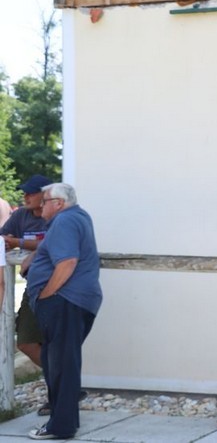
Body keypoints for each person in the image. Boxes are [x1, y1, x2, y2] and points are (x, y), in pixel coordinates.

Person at [25, 183, 103, 440]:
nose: (40, 205)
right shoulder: (75, 217)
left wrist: (47, 294)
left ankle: (61, 426)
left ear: (58, 203)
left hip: (64, 302)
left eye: (45, 200)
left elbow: (68, 261)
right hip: (72, 302)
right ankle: (64, 421)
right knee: (56, 361)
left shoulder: (66, 221)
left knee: (61, 364)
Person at [1, 174, 52, 368]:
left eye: (31, 193)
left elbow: (52, 243)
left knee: (57, 341)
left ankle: (61, 383)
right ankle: (57, 377)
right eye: (24, 193)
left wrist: (18, 242)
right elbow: (3, 236)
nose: (25, 197)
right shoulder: (21, 215)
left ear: (45, 195)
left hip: (59, 285)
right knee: (25, 341)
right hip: (33, 286)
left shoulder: (57, 216)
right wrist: (6, 243)